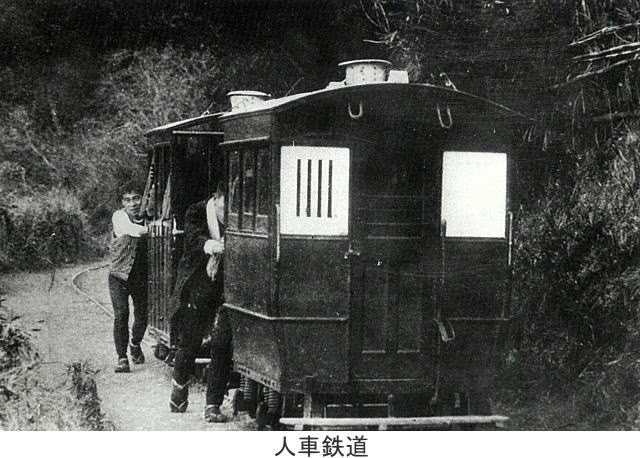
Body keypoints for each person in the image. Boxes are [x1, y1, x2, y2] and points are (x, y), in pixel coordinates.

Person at [169, 186, 232, 423]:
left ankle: (213, 405)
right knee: (191, 341)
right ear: (215, 200)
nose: (228, 212)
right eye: (225, 205)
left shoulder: (240, 214)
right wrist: (214, 246)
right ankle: (179, 385)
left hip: (228, 284)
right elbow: (194, 239)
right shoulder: (197, 212)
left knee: (221, 343)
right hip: (200, 281)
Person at [108, 181, 148, 373]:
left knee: (143, 315)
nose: (132, 204)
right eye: (127, 200)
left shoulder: (149, 216)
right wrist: (157, 227)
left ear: (144, 198)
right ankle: (122, 358)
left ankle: (135, 342)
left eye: (136, 198)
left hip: (140, 277)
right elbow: (135, 231)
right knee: (121, 315)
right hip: (119, 276)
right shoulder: (119, 217)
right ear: (122, 203)